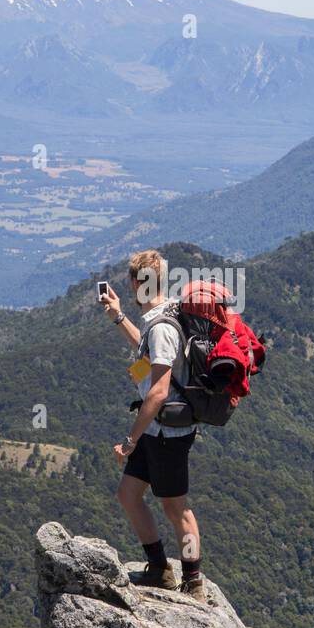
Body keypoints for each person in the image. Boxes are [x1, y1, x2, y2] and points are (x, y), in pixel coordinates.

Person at [100, 249, 205, 602]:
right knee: (128, 495)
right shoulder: (160, 316)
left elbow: (158, 391)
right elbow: (148, 357)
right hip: (153, 431)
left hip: (167, 435)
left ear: (134, 283)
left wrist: (130, 440)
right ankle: (159, 569)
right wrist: (118, 318)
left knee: (176, 508)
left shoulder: (161, 326)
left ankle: (194, 583)